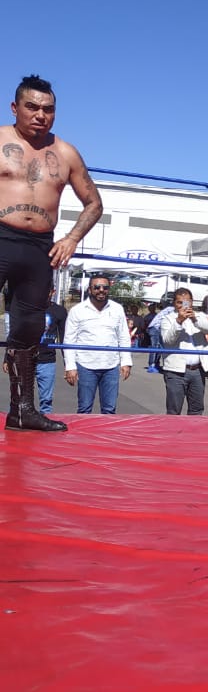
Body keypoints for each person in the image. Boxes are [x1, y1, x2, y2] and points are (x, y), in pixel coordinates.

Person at [0, 74, 103, 430]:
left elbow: (93, 203)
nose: (40, 115)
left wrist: (72, 238)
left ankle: (22, 411)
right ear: (15, 108)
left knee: (28, 331)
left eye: (48, 109)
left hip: (40, 248)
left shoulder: (65, 153)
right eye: (32, 107)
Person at [63, 274, 132, 413]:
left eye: (105, 287)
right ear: (90, 289)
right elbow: (69, 340)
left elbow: (123, 336)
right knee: (84, 408)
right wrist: (70, 366)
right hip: (86, 366)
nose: (101, 290)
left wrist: (126, 362)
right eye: (97, 287)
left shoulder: (117, 309)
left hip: (111, 366)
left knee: (109, 409)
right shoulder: (77, 310)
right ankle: (82, 435)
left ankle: (105, 435)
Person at [159, 287, 208, 415]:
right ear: (174, 303)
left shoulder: (199, 316)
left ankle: (192, 434)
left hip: (198, 370)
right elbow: (167, 340)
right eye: (179, 302)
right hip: (176, 371)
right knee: (174, 410)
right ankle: (174, 434)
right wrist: (179, 321)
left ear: (192, 303)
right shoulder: (168, 318)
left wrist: (195, 319)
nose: (183, 305)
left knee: (197, 409)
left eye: (187, 302)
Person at [36, 285, 68, 416]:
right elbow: (15, 333)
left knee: (46, 400)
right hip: (26, 357)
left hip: (47, 360)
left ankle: (45, 419)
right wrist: (8, 358)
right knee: (21, 397)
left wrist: (68, 364)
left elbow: (64, 338)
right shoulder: (28, 307)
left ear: (53, 292)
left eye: (46, 291)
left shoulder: (59, 311)